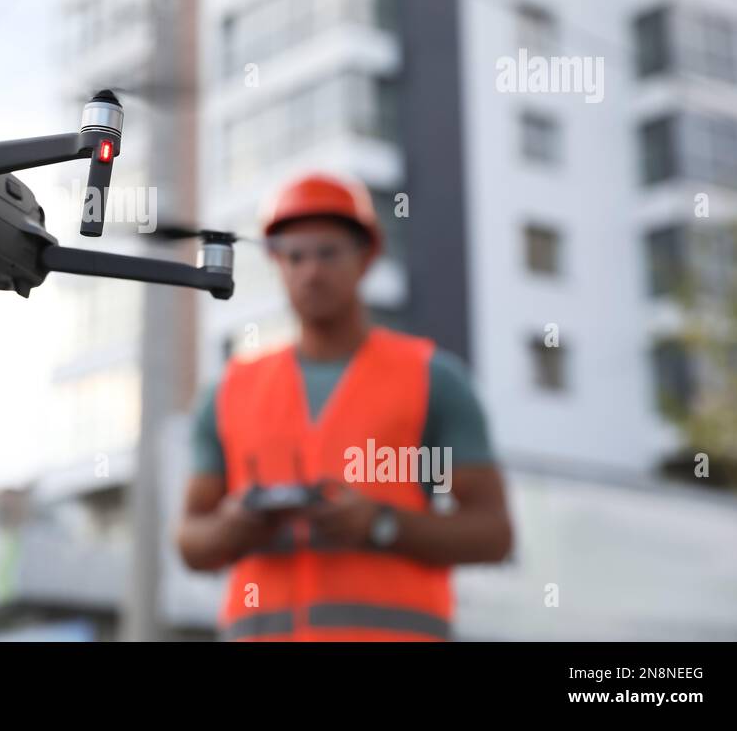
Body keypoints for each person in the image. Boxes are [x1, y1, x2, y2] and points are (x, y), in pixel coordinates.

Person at [175, 173, 513, 641]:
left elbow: (494, 533)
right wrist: (236, 527)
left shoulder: (433, 379)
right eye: (295, 256)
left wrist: (383, 524)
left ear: (366, 258)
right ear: (277, 262)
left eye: (328, 253)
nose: (311, 272)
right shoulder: (230, 391)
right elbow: (191, 540)